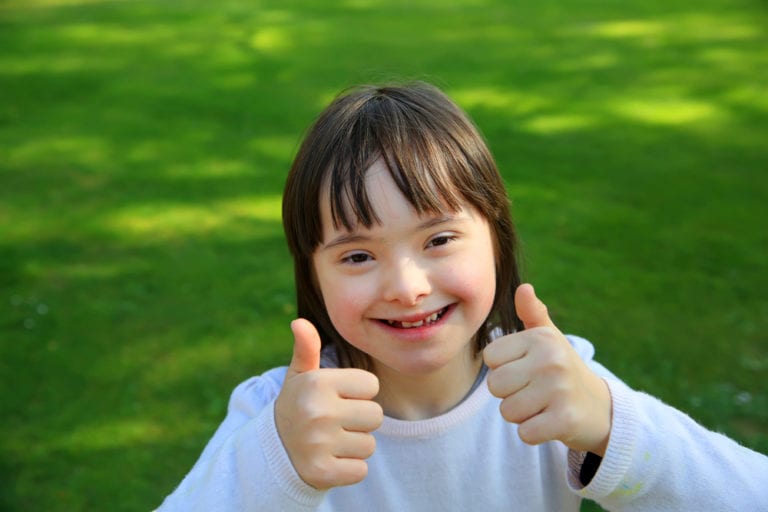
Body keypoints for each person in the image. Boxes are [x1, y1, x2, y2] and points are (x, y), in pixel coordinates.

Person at [157, 82, 768, 511]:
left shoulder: (555, 385)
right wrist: (277, 465)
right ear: (312, 275)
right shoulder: (282, 416)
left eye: (440, 238)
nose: (407, 286)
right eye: (357, 255)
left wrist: (615, 430)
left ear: (497, 242)